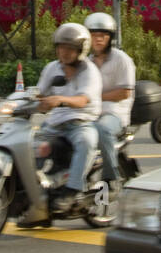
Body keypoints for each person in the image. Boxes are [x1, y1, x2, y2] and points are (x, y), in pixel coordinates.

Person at [17, 22, 101, 227]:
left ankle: (72, 190)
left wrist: (60, 100)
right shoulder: (52, 68)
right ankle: (35, 199)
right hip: (55, 124)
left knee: (87, 142)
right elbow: (40, 93)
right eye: (61, 47)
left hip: (81, 122)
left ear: (81, 50)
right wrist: (21, 101)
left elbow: (83, 100)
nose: (64, 52)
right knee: (28, 148)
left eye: (69, 48)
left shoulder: (89, 71)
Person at [85, 12, 136, 198]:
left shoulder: (121, 60)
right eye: (93, 35)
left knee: (102, 129)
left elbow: (125, 92)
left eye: (102, 36)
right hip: (91, 113)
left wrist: (96, 97)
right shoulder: (86, 62)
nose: (98, 40)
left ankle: (109, 177)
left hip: (115, 114)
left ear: (110, 38)